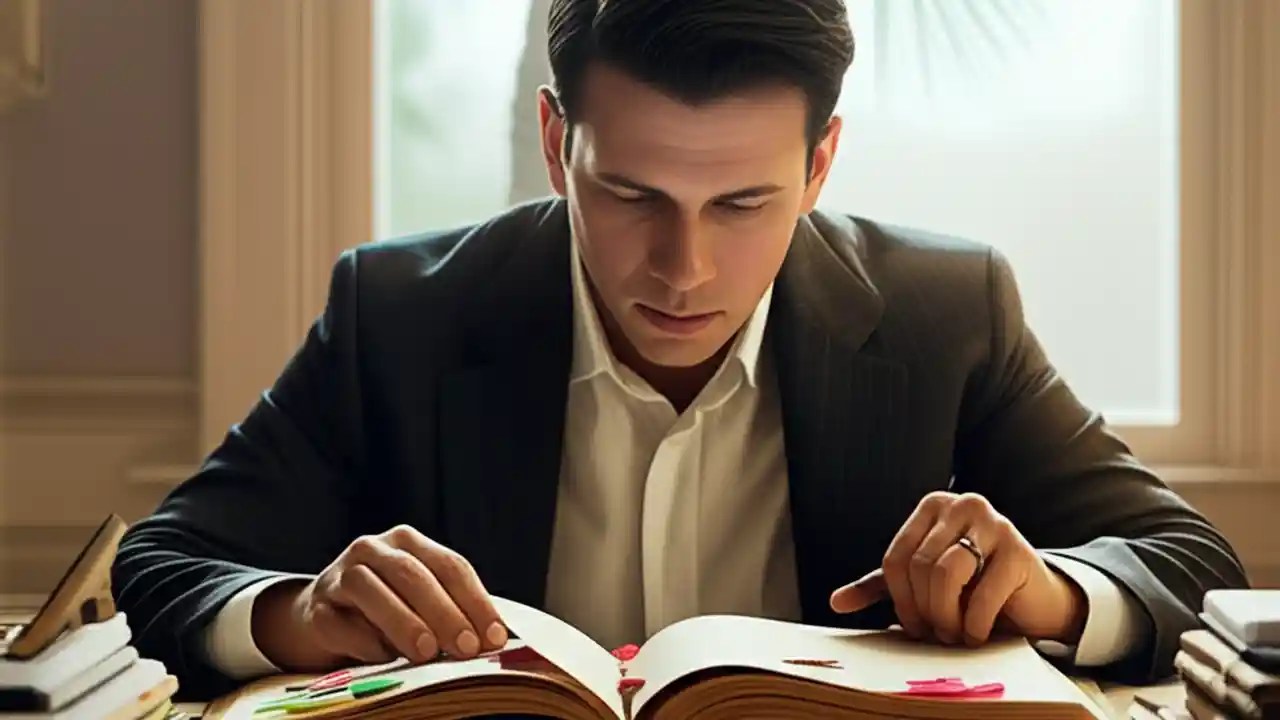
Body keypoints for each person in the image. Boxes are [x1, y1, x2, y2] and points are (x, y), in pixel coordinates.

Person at [113, 0, 1247, 701]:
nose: (683, 268)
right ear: (556, 144)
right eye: (631, 194)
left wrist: (1047, 592)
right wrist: (297, 615)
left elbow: (1192, 566)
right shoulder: (400, 313)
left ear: (819, 164)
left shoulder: (946, 311)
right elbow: (157, 570)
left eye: (743, 202)